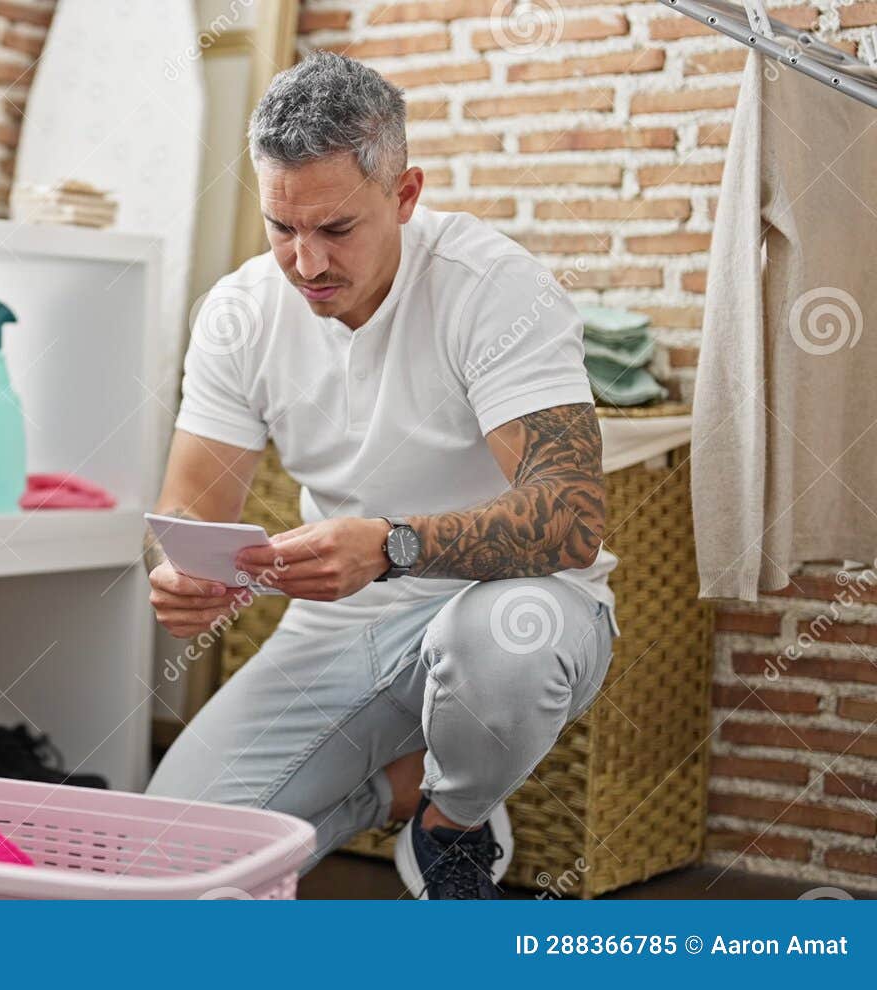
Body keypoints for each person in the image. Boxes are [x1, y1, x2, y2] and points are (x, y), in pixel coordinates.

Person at [142, 51, 620, 900]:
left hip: (516, 599)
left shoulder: (492, 286)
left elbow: (573, 515)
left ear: (404, 196)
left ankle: (456, 819)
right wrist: (182, 574)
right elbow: (192, 503)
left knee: (503, 646)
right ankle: (397, 788)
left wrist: (391, 546)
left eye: (335, 229)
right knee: (174, 857)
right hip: (342, 630)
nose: (307, 264)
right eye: (282, 229)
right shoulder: (241, 312)